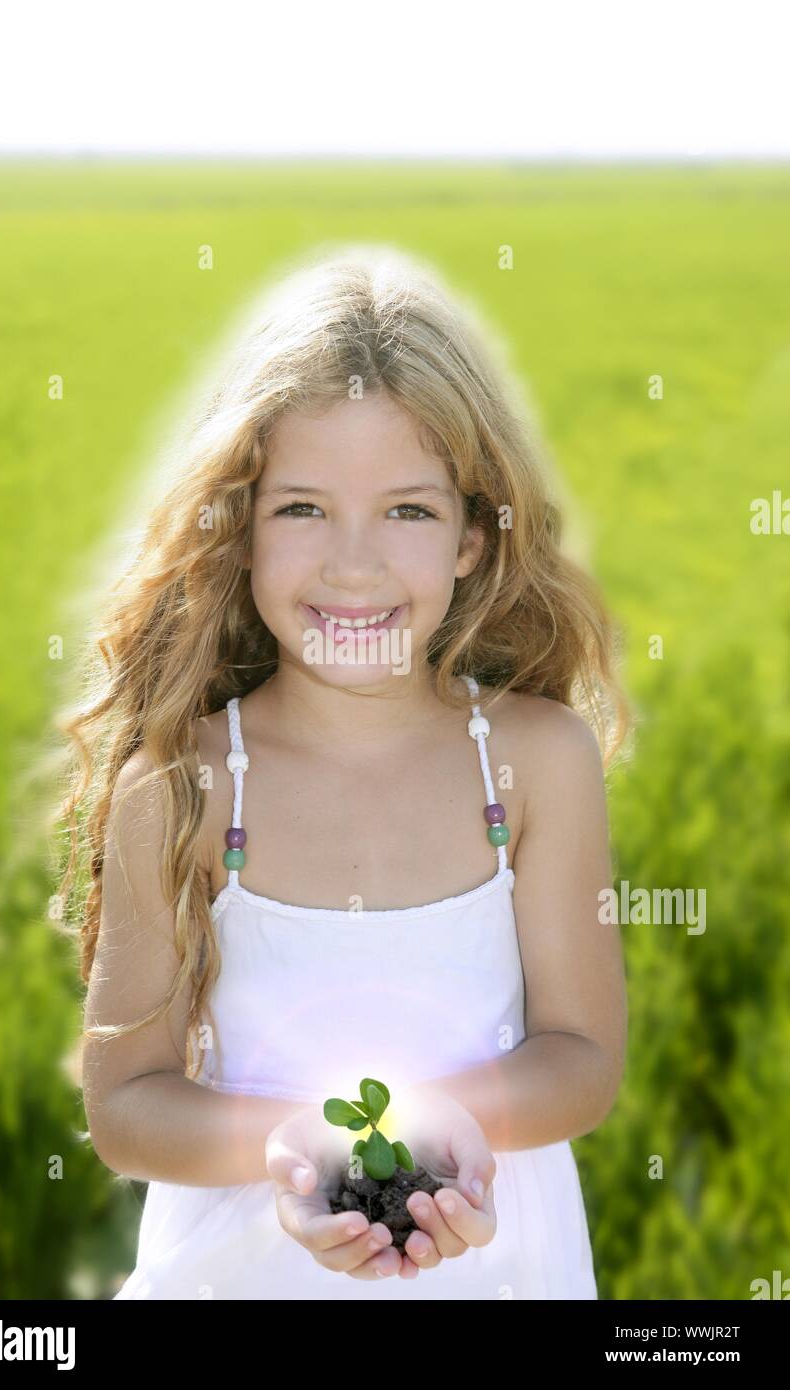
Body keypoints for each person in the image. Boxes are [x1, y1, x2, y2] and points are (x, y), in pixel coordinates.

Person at [59, 245, 630, 1299]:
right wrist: (298, 1143)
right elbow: (127, 1101)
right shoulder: (184, 784)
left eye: (407, 510)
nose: (353, 564)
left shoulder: (533, 764)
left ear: (470, 535)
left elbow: (580, 1055)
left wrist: (441, 1132)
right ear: (238, 531)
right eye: (301, 509)